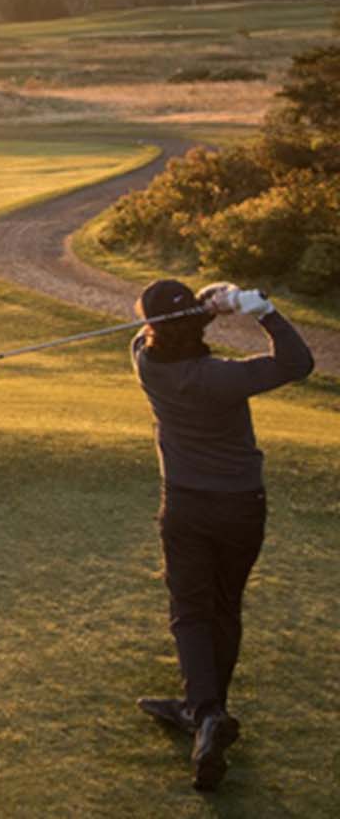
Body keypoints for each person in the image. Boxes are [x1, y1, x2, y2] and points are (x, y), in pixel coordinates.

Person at [129, 278, 314, 791]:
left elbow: (143, 337)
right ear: (193, 321)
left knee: (191, 611)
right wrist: (258, 311)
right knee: (225, 606)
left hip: (185, 506)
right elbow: (298, 363)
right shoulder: (224, 377)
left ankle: (204, 711)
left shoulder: (146, 365)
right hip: (241, 507)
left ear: (152, 325)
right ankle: (210, 712)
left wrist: (200, 313)